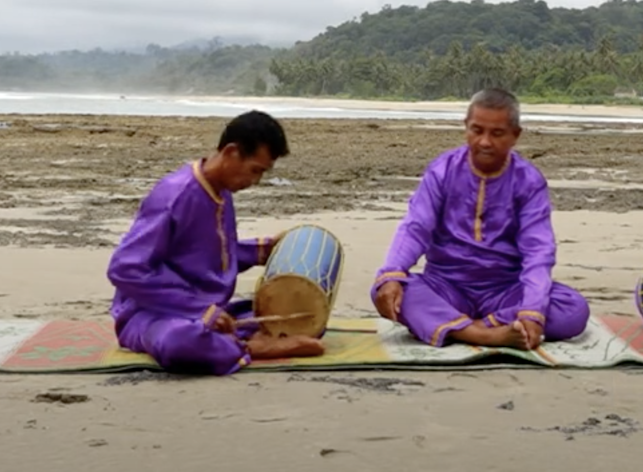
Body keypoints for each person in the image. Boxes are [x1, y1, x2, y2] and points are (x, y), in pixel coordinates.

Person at [370, 88, 591, 350]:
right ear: (466, 128)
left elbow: (538, 252)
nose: (485, 142)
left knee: (573, 309)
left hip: (505, 291)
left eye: (496, 133)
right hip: (446, 285)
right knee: (386, 288)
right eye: (477, 130)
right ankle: (482, 333)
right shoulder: (442, 171)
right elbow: (416, 228)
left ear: (515, 136)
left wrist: (531, 311)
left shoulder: (528, 182)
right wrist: (393, 273)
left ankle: (457, 326)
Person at [106, 110, 324, 375]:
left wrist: (261, 251)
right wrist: (198, 310)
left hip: (209, 311)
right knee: (180, 343)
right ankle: (254, 349)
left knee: (297, 317)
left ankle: (237, 339)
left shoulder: (220, 191)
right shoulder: (175, 195)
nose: (255, 182)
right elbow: (125, 268)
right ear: (232, 152)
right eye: (255, 170)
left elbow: (207, 255)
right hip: (151, 313)